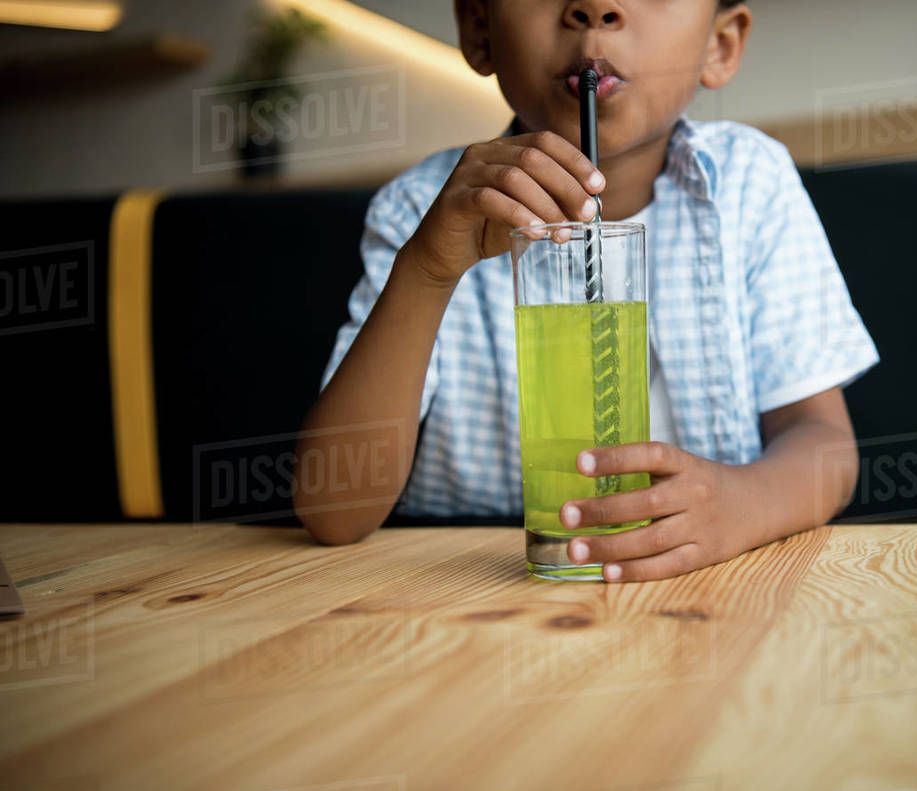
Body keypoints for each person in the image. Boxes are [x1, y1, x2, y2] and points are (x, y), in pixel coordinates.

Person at [294, 0, 879, 582]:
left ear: (719, 45)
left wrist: (744, 504)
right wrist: (426, 270)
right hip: (472, 608)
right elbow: (334, 512)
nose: (595, 7)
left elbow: (825, 448)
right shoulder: (419, 211)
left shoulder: (750, 182)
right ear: (479, 30)